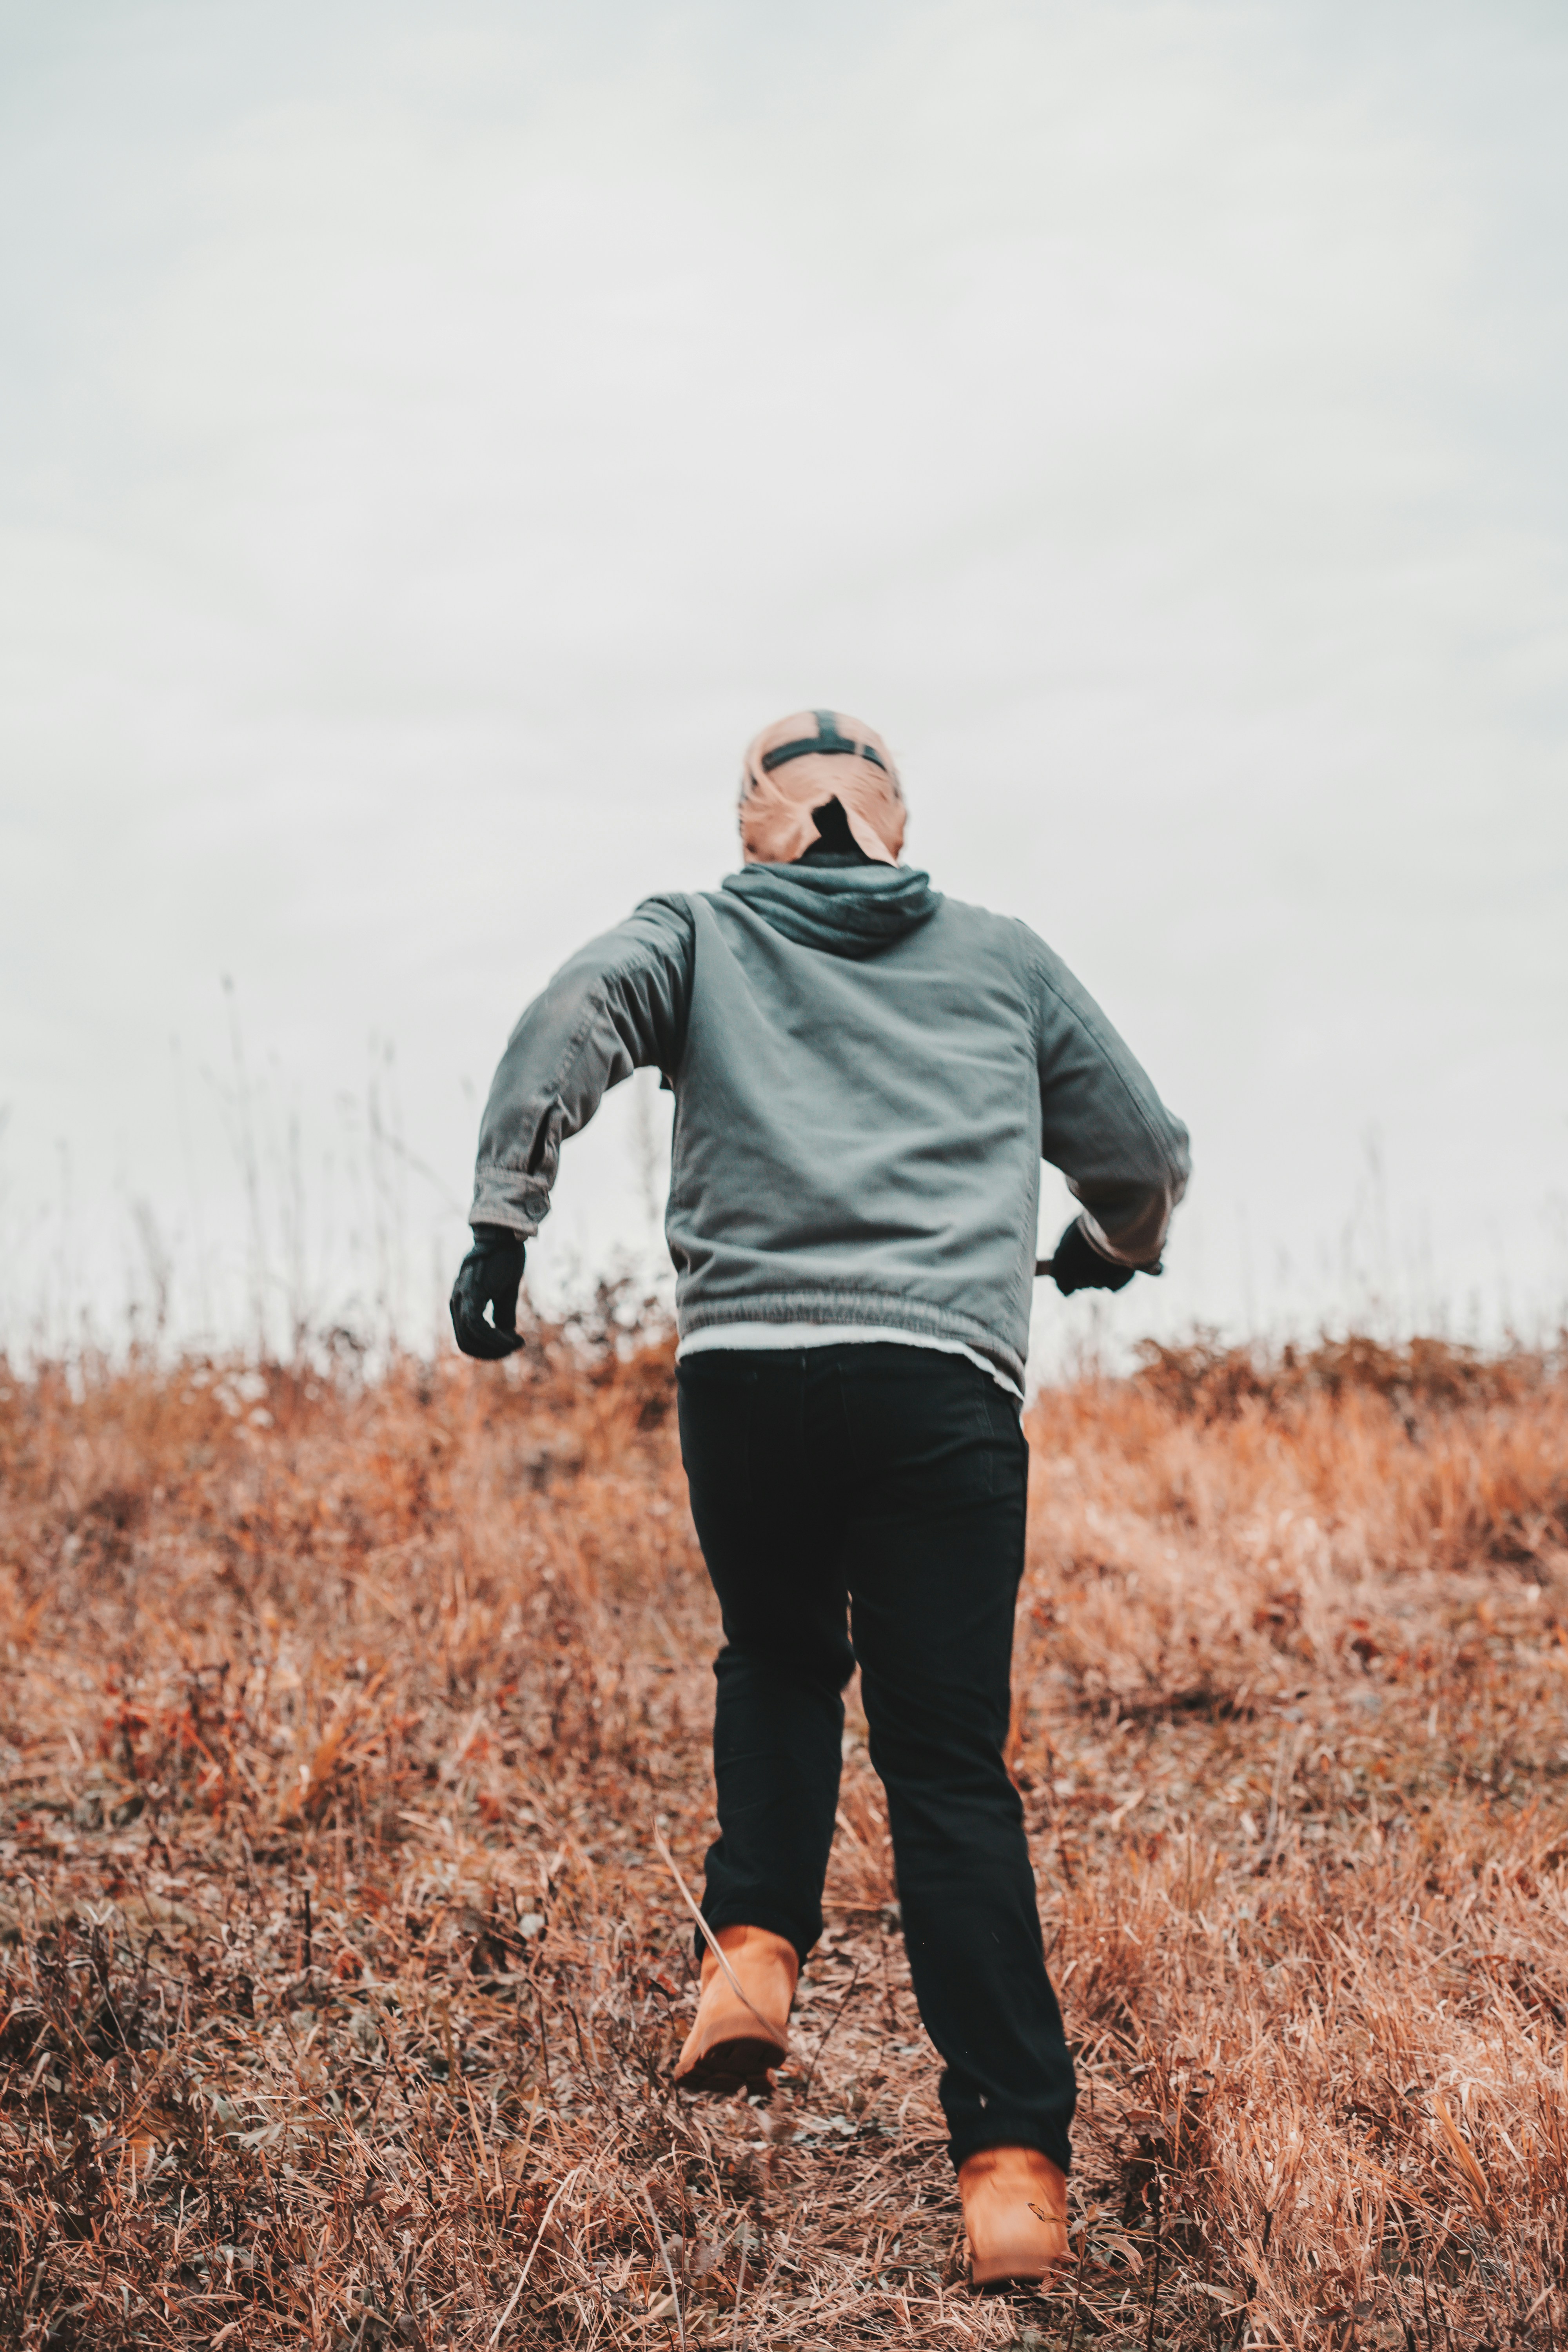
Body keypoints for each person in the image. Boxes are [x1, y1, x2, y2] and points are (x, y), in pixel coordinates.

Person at [451, 710, 1189, 2290]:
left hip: (749, 1385)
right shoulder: (1002, 959)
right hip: (938, 1393)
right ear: (898, 824)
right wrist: (1109, 1244)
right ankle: (1008, 2174)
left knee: (780, 1658)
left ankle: (752, 1956)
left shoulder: (695, 933)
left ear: (749, 825)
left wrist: (503, 1224)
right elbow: (1143, 1149)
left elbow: (567, 1016)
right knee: (943, 1771)